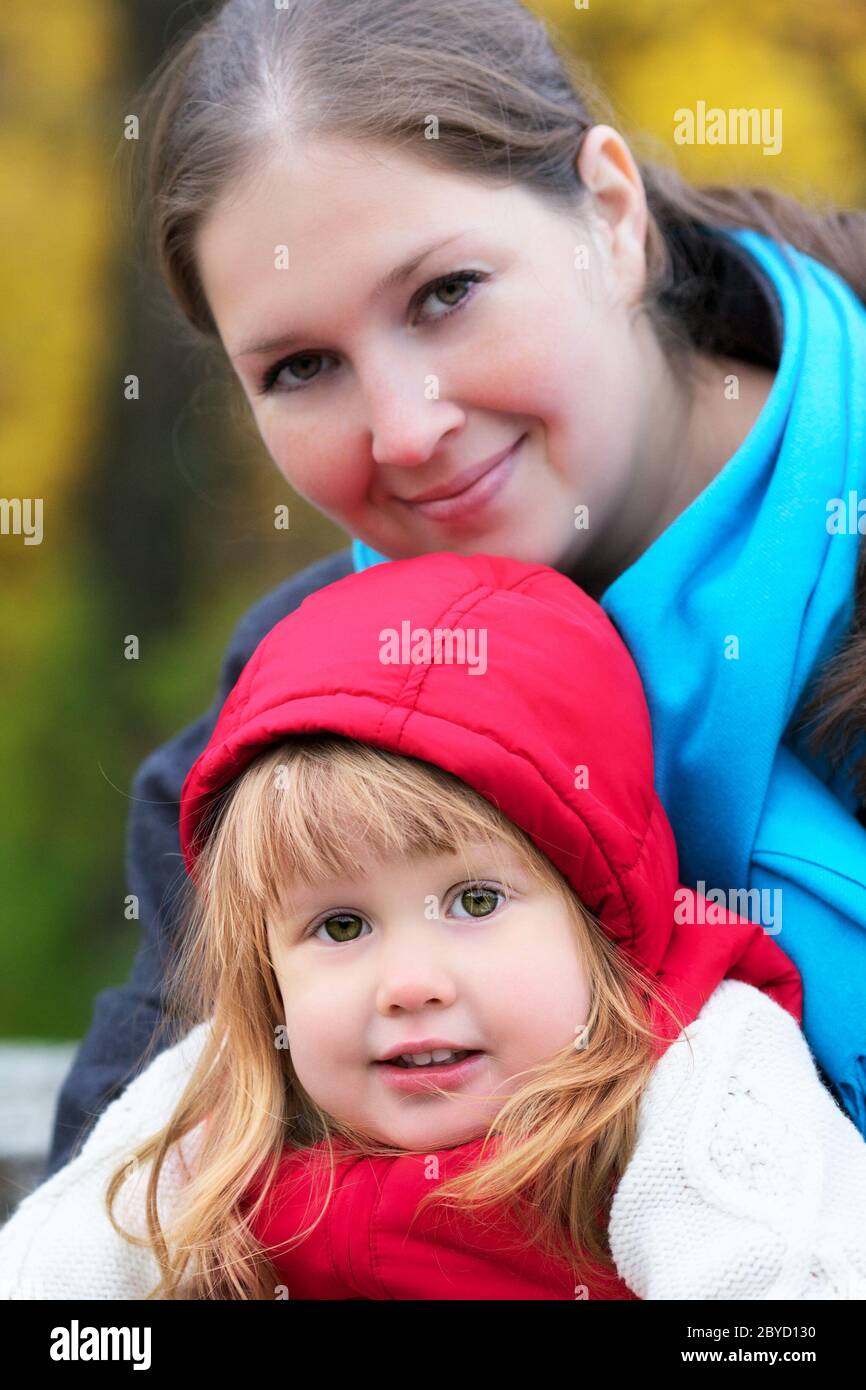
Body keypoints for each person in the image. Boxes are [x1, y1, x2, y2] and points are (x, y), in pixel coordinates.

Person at [44, 0, 866, 1181]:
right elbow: (123, 1205)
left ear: (612, 217)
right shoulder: (282, 728)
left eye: (444, 293)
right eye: (301, 367)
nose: (405, 428)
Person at [5, 552, 866, 1300]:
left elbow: (786, 1286)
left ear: (596, 911)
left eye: (476, 904)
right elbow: (54, 1281)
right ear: (265, 971)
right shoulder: (222, 1098)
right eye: (341, 927)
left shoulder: (691, 1076)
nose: (411, 983)